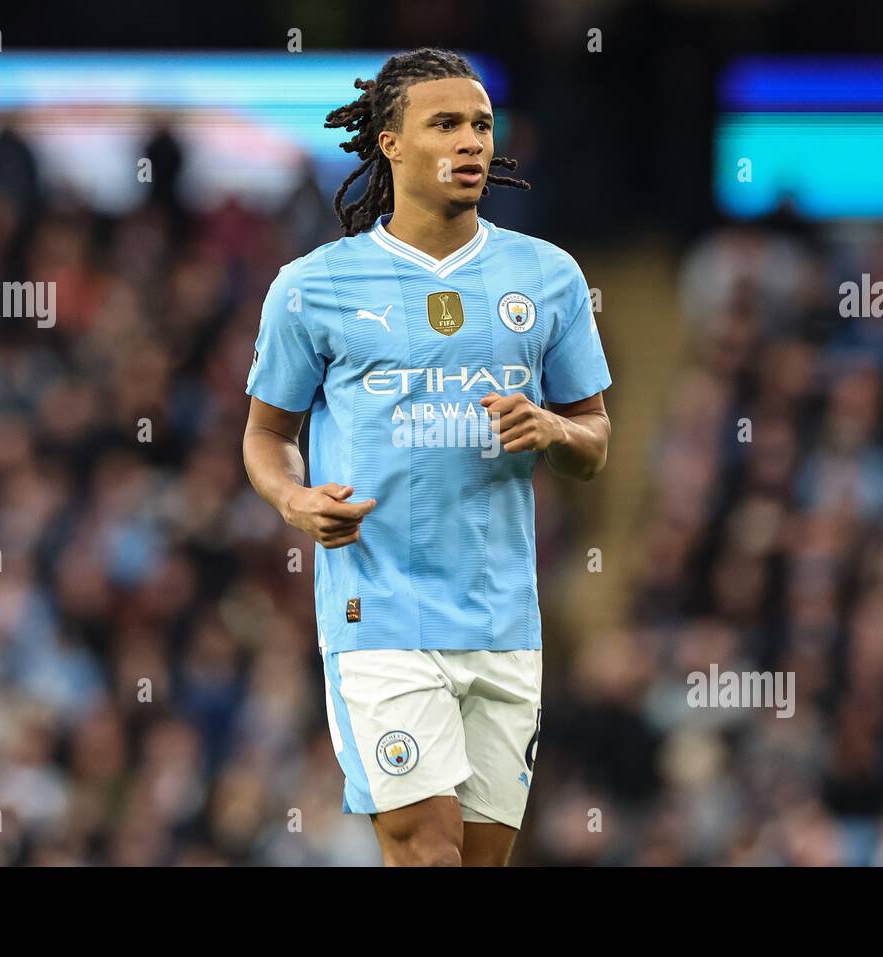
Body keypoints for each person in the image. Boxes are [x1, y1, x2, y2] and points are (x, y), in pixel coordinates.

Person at [242, 47, 611, 866]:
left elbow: (595, 441)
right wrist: (293, 500)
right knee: (427, 851)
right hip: (382, 617)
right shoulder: (314, 287)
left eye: (481, 124)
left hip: (505, 620)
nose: (471, 141)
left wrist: (553, 430)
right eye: (445, 123)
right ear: (390, 142)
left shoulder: (548, 278)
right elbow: (266, 436)